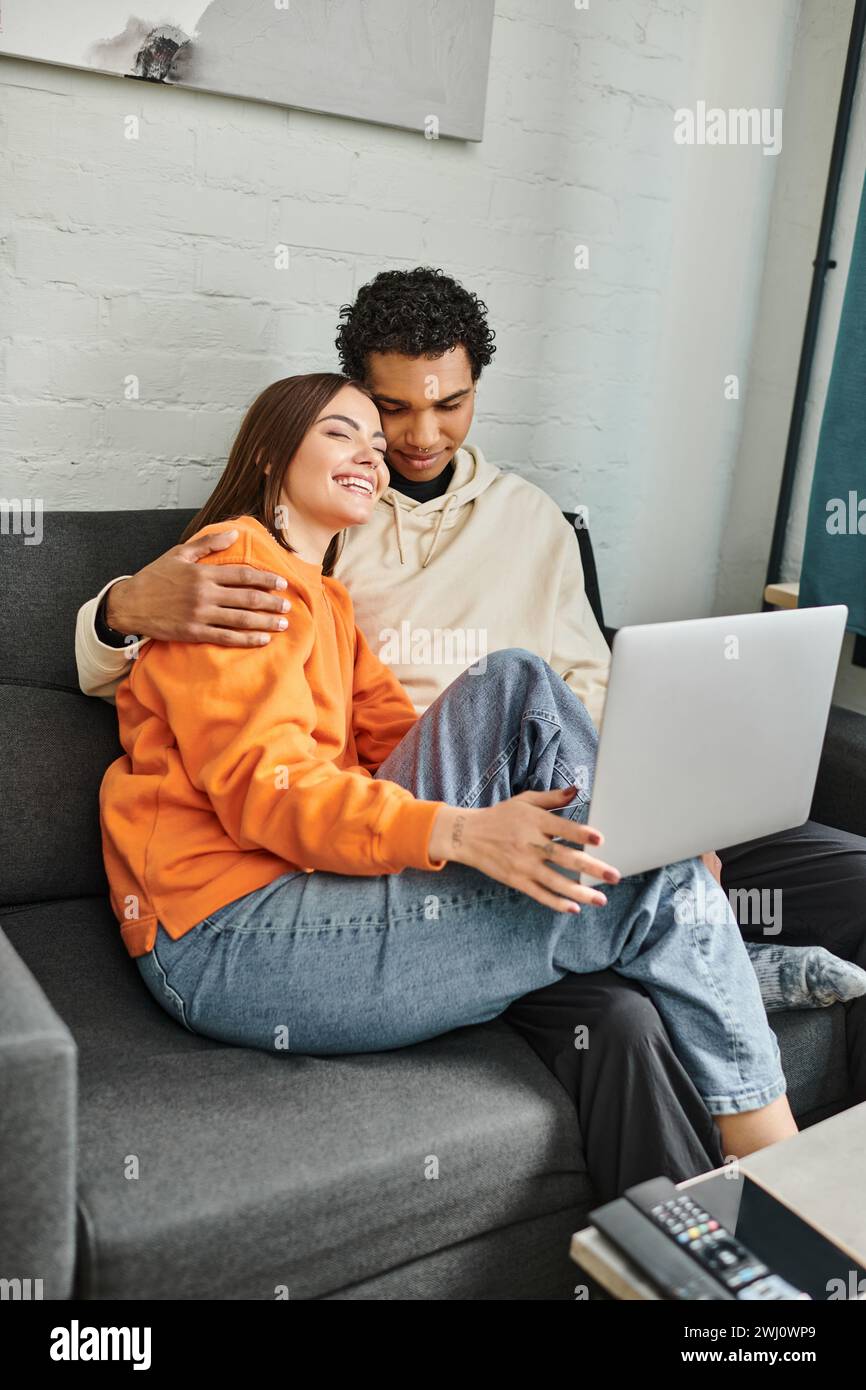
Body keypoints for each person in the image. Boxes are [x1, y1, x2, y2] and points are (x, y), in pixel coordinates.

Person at [77, 269, 866, 1201]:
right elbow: (265, 785)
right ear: (267, 454)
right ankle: (775, 1166)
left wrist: (541, 812)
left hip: (342, 856)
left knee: (521, 681)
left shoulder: (335, 592)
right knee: (638, 862)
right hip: (227, 930)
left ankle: (694, 942)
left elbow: (417, 728)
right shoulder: (233, 572)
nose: (392, 446)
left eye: (423, 416)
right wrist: (460, 833)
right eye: (357, 425)